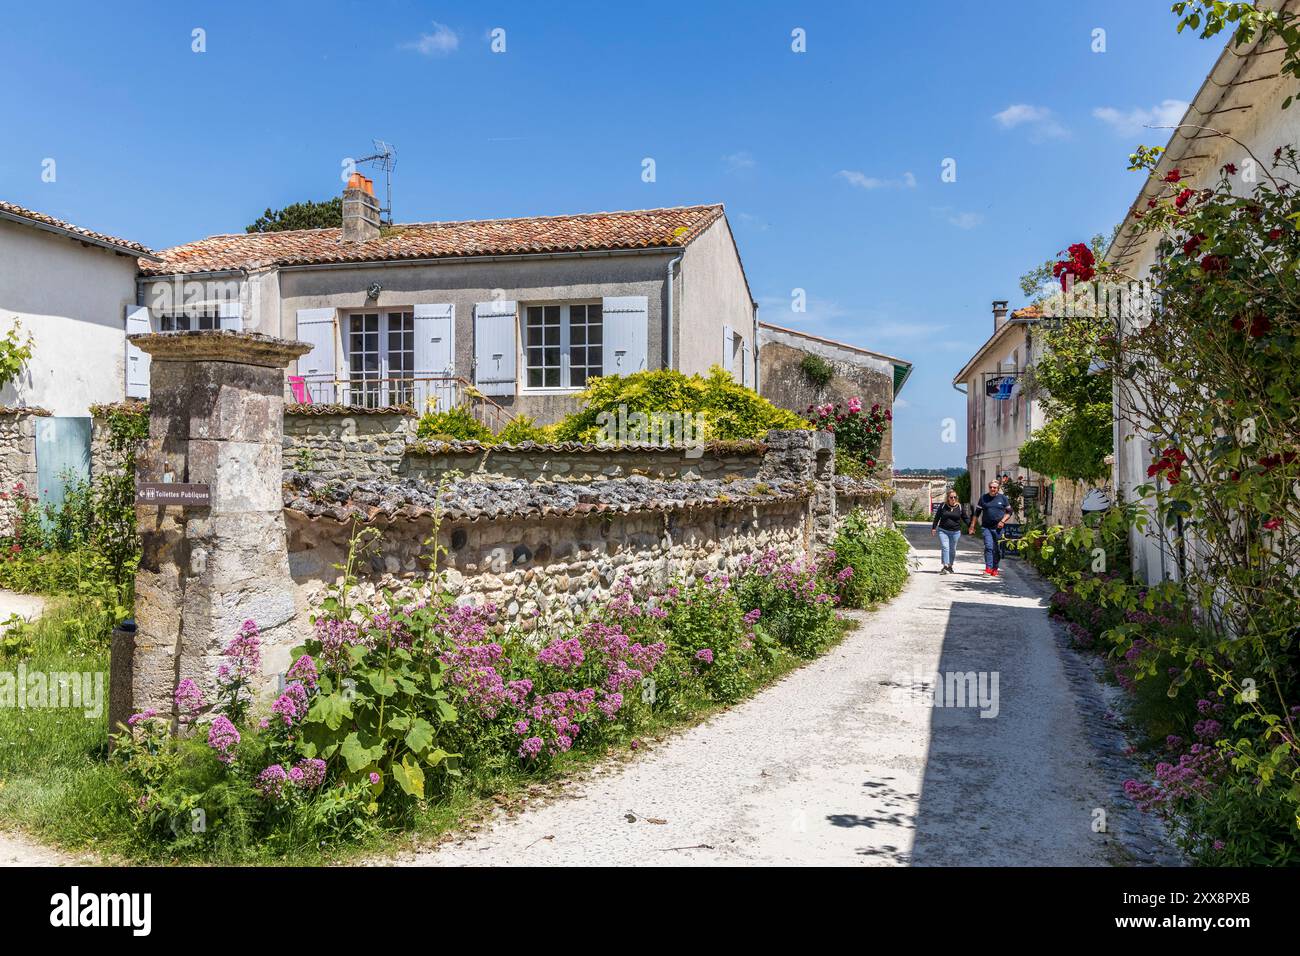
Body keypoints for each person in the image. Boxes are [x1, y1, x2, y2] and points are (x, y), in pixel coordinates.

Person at [969, 478, 1013, 577]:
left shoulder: (1003, 498)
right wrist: (972, 525)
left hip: (998, 528)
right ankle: (988, 569)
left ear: (998, 488)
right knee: (988, 547)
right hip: (986, 527)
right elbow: (977, 513)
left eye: (994, 487)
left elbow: (1009, 512)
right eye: (991, 487)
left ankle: (995, 568)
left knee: (996, 549)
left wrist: (1003, 521)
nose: (992, 489)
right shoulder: (983, 498)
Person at [930, 489, 969, 574]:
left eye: (955, 497)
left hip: (955, 532)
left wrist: (971, 526)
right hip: (943, 530)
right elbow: (937, 517)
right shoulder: (943, 506)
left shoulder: (959, 507)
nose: (953, 499)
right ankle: (945, 566)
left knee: (952, 549)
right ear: (948, 498)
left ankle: (950, 566)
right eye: (951, 497)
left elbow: (965, 518)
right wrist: (934, 528)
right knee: (945, 547)